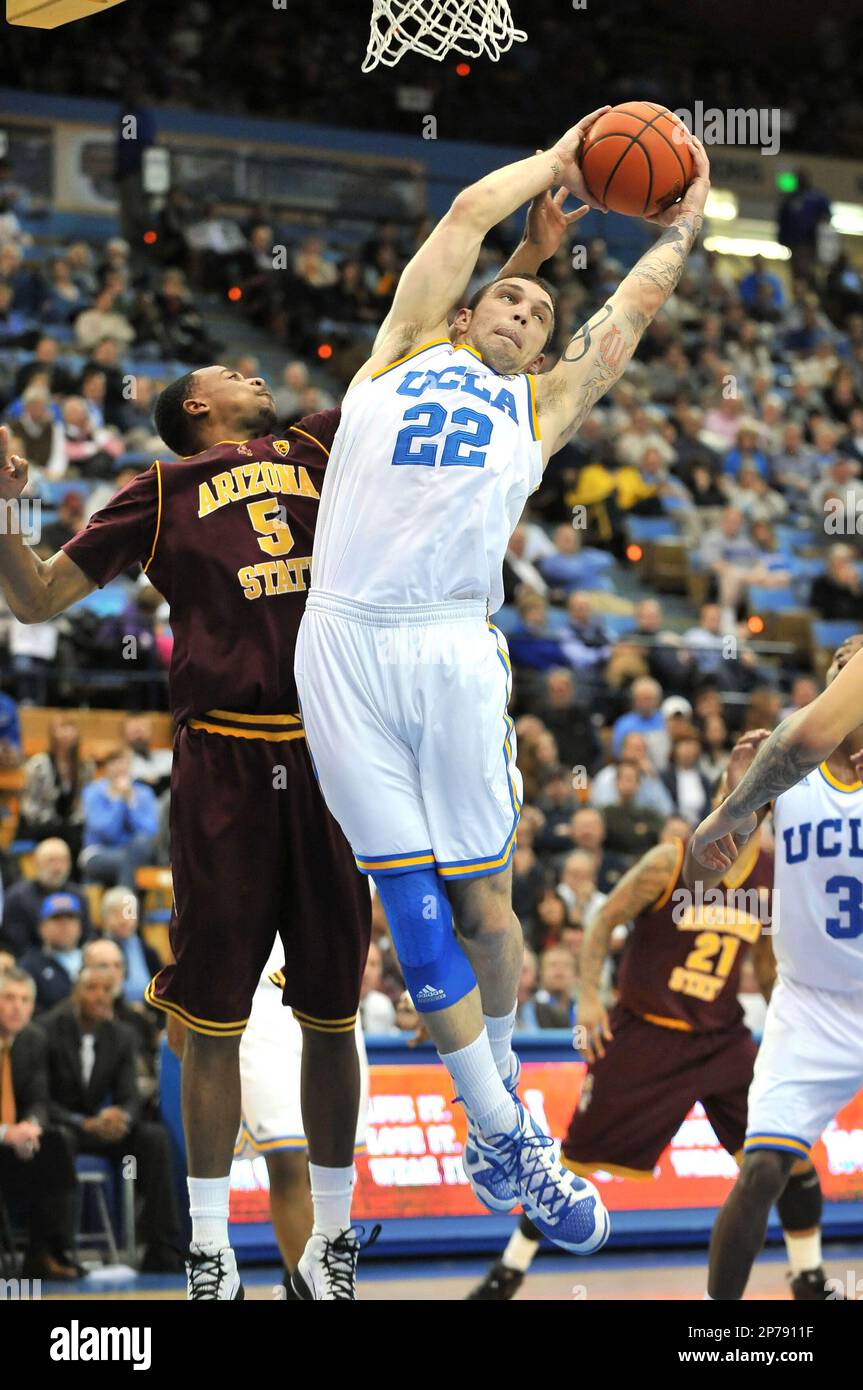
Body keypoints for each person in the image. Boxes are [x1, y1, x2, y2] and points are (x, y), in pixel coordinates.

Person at [296, 108, 709, 1252]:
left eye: (539, 313)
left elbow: (625, 310)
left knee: (485, 909)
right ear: (467, 309)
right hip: (339, 642)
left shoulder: (535, 405)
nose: (526, 313)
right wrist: (570, 154)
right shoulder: (396, 354)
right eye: (512, 299)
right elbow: (469, 215)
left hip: (449, 648)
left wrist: (682, 228)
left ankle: (498, 1109)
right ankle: (503, 1126)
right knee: (410, 906)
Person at [469, 735, 828, 1300]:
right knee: (573, 1164)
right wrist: (589, 998)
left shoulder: (771, 874)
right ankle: (507, 1273)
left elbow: (766, 960)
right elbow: (603, 920)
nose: (744, 802)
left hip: (721, 1040)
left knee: (785, 1153)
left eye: (758, 796)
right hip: (647, 1034)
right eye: (734, 789)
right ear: (717, 800)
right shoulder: (670, 859)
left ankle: (809, 1278)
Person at [700, 637, 863, 1300]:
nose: (845, 674)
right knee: (762, 1168)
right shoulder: (786, 768)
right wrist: (730, 790)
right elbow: (710, 873)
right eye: (837, 667)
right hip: (809, 1005)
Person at [40, 967, 182, 1273]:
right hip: (65, 1128)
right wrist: (81, 1122)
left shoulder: (121, 1035)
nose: (101, 997)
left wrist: (122, 1116)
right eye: (92, 988)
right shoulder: (48, 1029)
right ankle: (58, 1251)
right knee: (57, 1140)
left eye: (108, 990)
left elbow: (130, 1096)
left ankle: (160, 1247)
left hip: (104, 1129)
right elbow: (42, 1101)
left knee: (153, 1138)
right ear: (75, 994)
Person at [0, 966, 79, 1279]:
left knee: (56, 1143)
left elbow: (38, 1098)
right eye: (8, 998)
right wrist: (6, 1133)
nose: (17, 1006)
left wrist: (30, 1127)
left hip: (14, 1142)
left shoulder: (33, 1039)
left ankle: (44, 1253)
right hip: (3, 1137)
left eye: (24, 1000)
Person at [0, 837, 92, 958]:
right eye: (51, 861)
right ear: (36, 864)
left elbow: (87, 936)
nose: (57, 868)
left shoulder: (79, 896)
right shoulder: (17, 897)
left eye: (62, 861)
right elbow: (14, 943)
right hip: (31, 964)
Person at [18, 894, 85, 1013]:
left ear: (80, 926)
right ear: (41, 927)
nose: (64, 925)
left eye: (70, 918)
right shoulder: (29, 967)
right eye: (57, 919)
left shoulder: (92, 958)